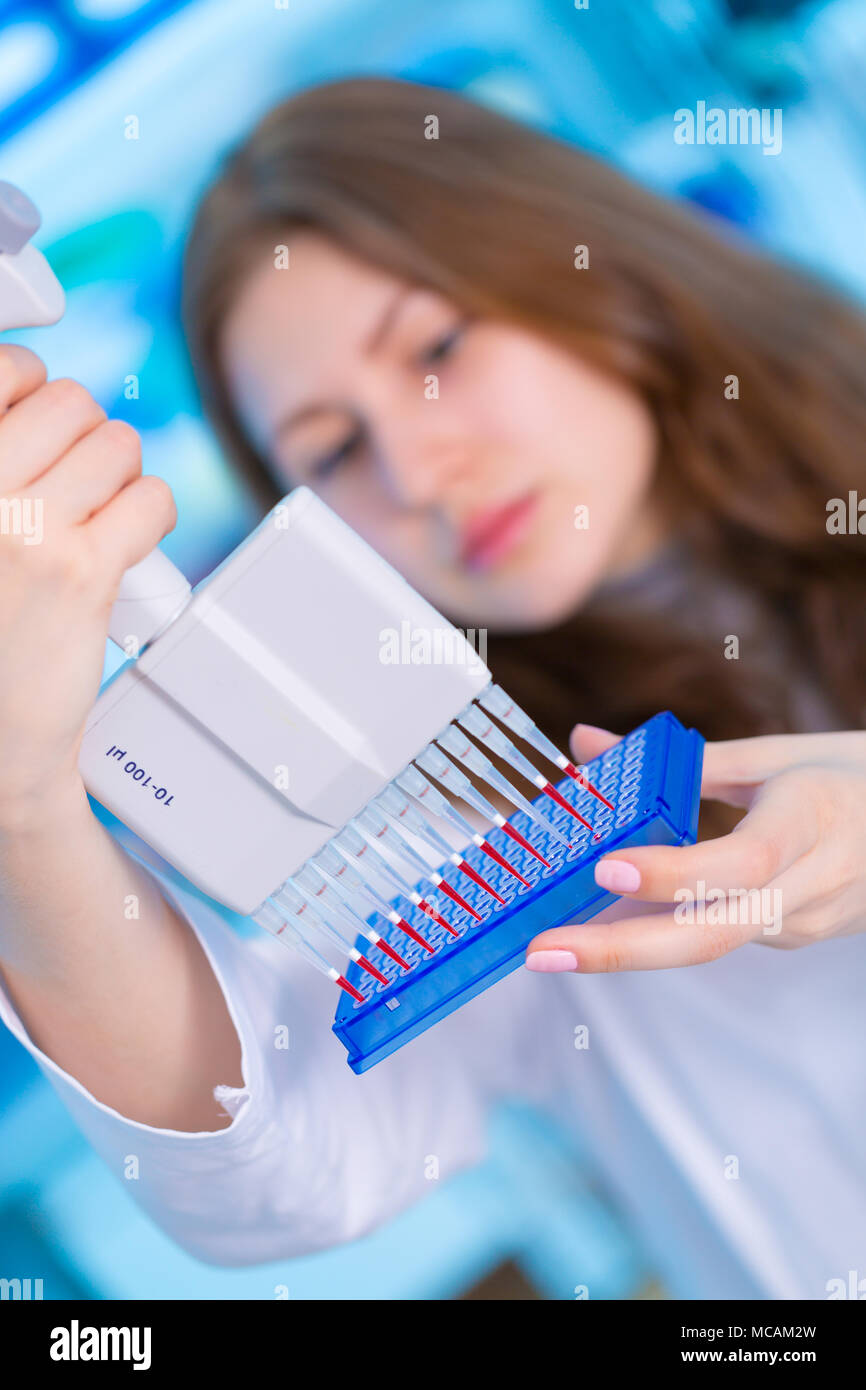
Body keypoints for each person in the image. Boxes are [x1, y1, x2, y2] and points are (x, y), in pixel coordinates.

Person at [0, 78, 864, 1299]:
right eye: (334, 449)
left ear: (594, 262)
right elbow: (282, 1165)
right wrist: (20, 810)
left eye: (436, 350)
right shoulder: (466, 812)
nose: (417, 469)